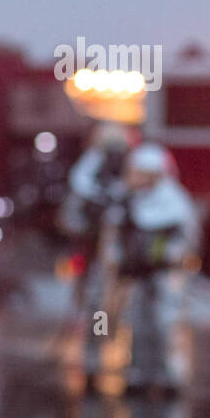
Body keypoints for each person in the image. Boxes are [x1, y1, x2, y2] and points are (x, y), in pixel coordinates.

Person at [116, 142, 198, 400]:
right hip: (138, 275)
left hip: (166, 275)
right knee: (137, 326)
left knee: (167, 326)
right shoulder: (129, 201)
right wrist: (124, 261)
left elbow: (188, 239)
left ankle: (170, 378)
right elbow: (118, 236)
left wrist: (168, 258)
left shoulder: (175, 202)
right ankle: (138, 376)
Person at [57, 122, 132, 393]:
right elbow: (70, 219)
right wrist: (93, 215)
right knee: (95, 310)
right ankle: (91, 366)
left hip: (123, 264)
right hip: (96, 263)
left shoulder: (128, 177)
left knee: (123, 314)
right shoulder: (85, 179)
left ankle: (133, 371)